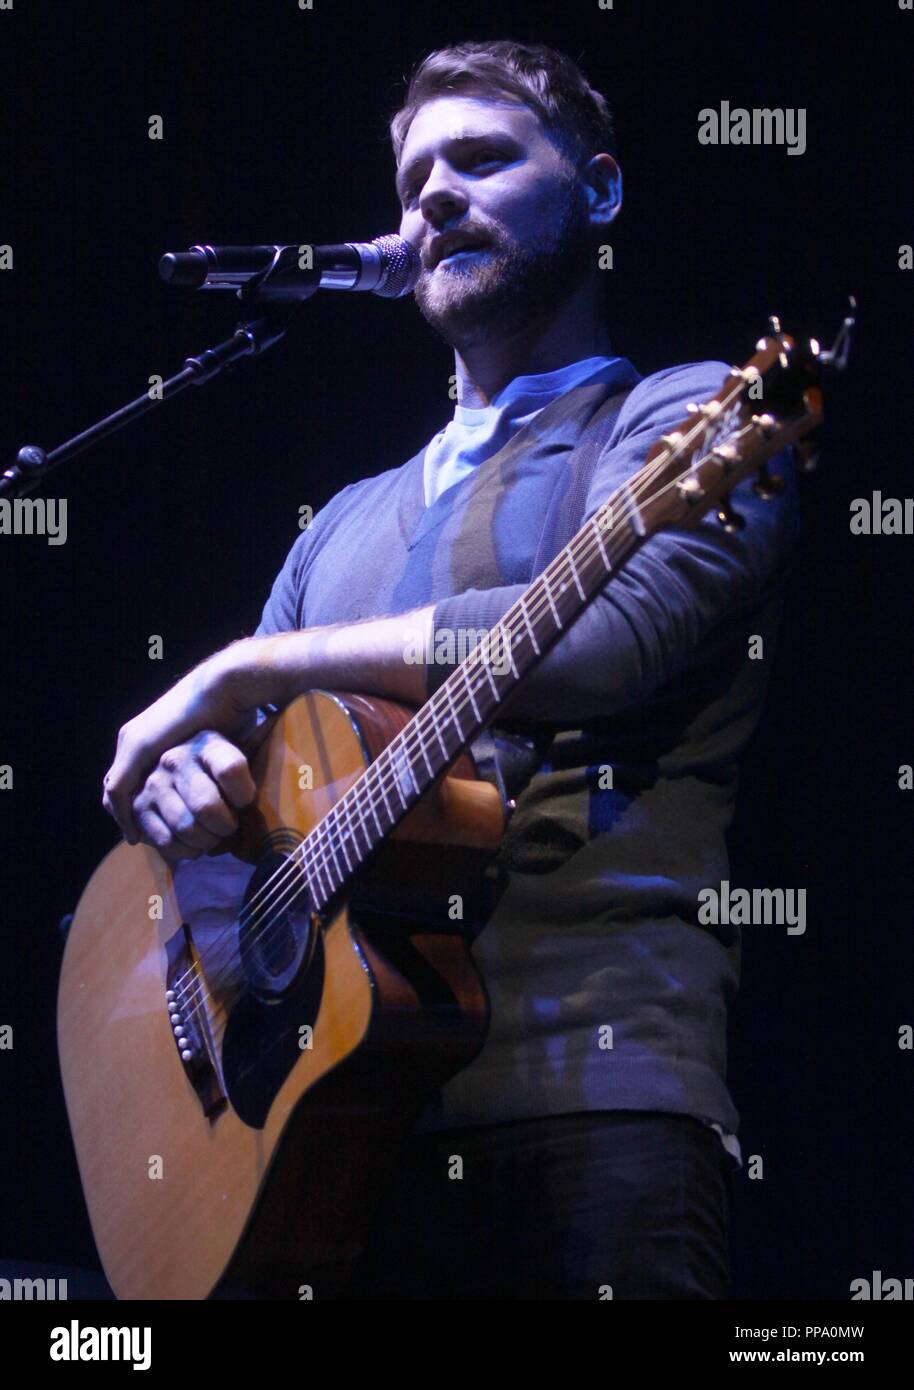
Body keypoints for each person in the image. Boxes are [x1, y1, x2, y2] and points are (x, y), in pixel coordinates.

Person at [102, 40, 799, 1299]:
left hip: (587, 1091)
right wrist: (189, 791)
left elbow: (599, 648)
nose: (431, 197)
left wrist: (245, 664)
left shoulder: (690, 419)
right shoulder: (343, 522)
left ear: (597, 192)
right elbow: (243, 794)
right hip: (321, 1130)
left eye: (480, 158)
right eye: (414, 175)